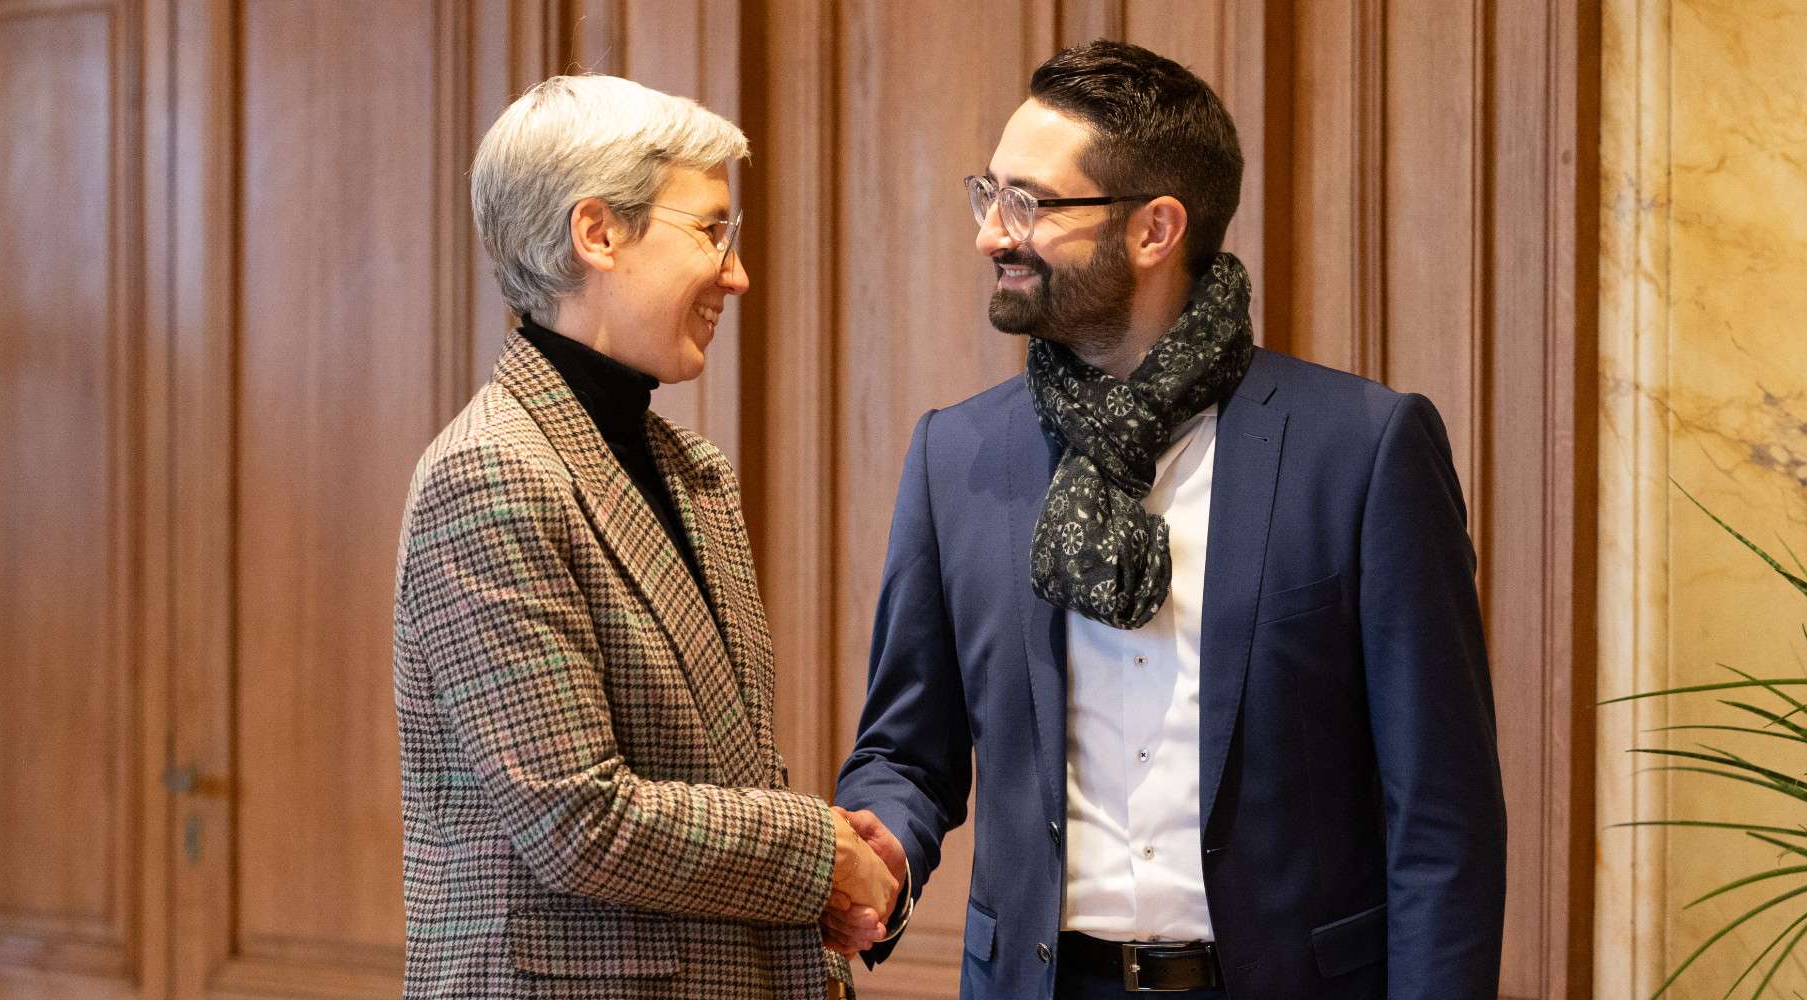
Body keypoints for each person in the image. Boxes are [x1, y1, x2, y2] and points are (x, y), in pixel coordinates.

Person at [828, 40, 1507, 999]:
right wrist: (884, 843)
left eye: (1031, 202)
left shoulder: (1363, 450)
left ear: (1155, 229)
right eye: (989, 194)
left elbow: (1441, 815)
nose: (991, 233)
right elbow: (908, 751)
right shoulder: (955, 457)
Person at [392, 74, 896, 1000]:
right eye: (711, 230)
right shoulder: (491, 473)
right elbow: (575, 820)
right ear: (598, 234)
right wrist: (814, 848)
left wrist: (819, 883)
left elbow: (724, 773)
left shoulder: (689, 469)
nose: (736, 272)